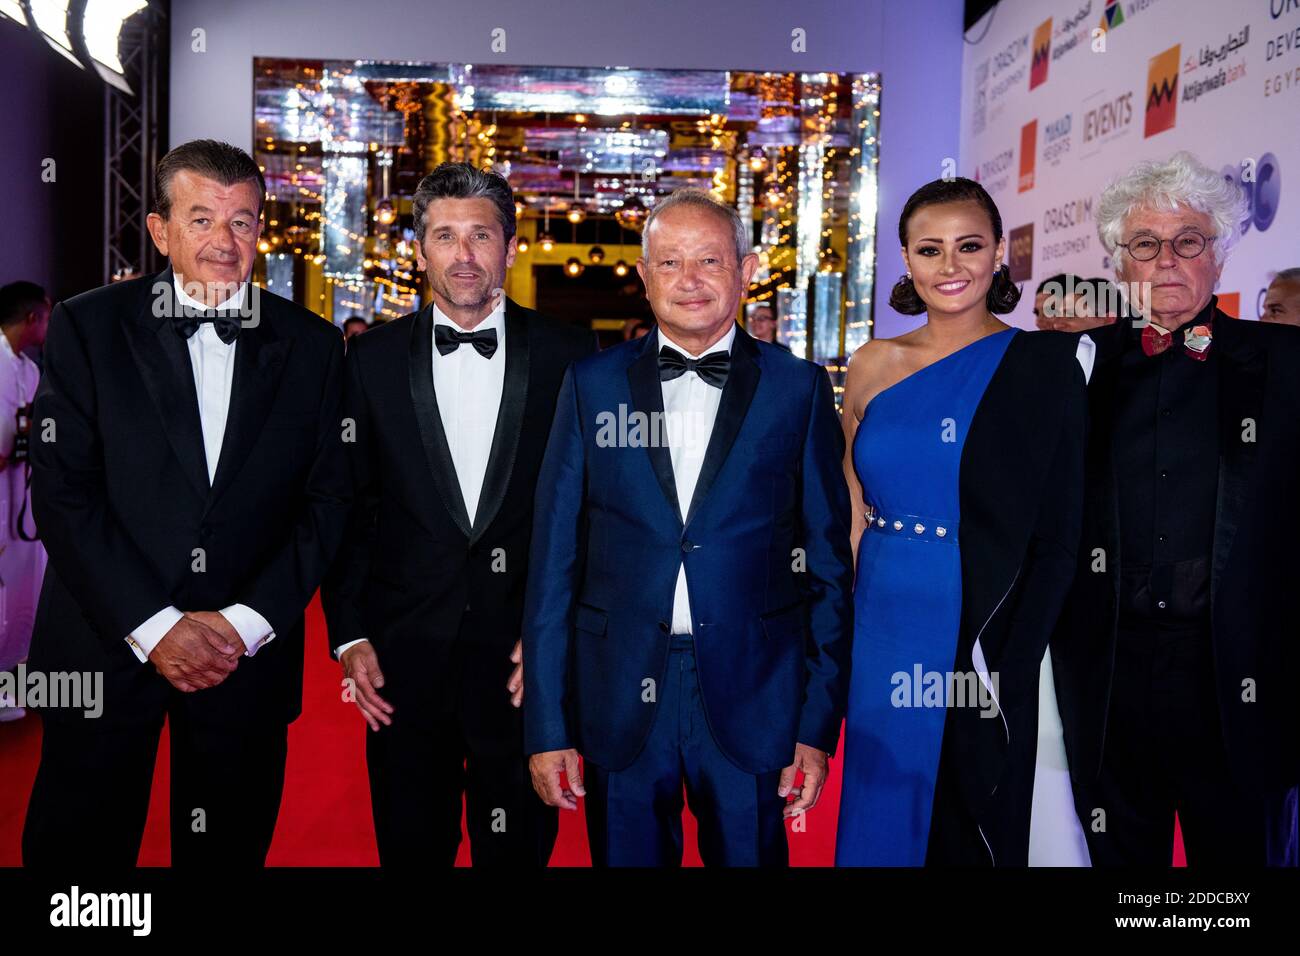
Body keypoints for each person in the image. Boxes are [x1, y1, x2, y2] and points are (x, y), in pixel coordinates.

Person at [22, 139, 351, 867]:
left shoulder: (315, 346)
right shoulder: (87, 326)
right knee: (78, 860)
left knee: (228, 851)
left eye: (242, 221)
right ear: (160, 229)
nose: (224, 242)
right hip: (105, 645)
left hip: (246, 660)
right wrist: (156, 626)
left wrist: (242, 623)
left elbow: (329, 502)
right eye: (201, 219)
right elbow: (63, 493)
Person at [523, 188, 853, 866]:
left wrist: (817, 724)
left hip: (754, 690)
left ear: (746, 268)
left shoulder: (799, 389)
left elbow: (826, 564)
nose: (690, 280)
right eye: (669, 263)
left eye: (709, 260)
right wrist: (547, 725)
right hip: (619, 688)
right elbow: (553, 561)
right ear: (644, 277)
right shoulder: (591, 385)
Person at [321, 163, 595, 867]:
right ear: (419, 249)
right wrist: (348, 635)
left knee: (520, 850)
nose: (464, 255)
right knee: (412, 847)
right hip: (401, 661)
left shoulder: (573, 357)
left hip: (521, 659)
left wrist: (557, 637)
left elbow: (591, 512)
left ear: (510, 247)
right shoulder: (368, 360)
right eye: (446, 236)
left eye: (481, 235)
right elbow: (347, 505)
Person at [1053, 151, 1300, 866]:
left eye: (1188, 241)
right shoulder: (1070, 369)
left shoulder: (1287, 364)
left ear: (1218, 256)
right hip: (1109, 673)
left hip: (1242, 673)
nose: (1167, 261)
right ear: (1118, 263)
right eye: (1144, 244)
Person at [836, 177, 1092, 866]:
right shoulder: (871, 364)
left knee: (973, 801)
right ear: (906, 261)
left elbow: (1061, 523)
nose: (949, 267)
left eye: (969, 246)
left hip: (987, 613)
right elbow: (851, 512)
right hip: (884, 616)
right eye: (930, 249)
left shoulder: (1046, 366)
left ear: (1000, 252)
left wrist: (1026, 638)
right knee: (884, 795)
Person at [0, 281, 51, 722]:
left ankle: (11, 690)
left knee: (24, 594)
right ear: (33, 317)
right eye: (48, 317)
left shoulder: (32, 372)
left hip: (22, 507)